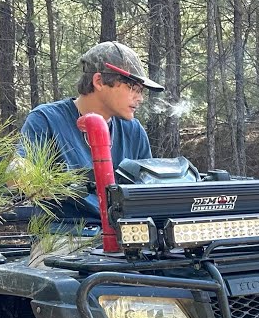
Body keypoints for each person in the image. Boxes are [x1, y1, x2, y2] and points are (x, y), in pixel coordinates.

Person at [17, 41, 164, 220]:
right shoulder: (46, 119)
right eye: (132, 88)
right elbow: (17, 168)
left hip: (125, 234)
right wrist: (52, 185)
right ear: (99, 81)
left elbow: (147, 189)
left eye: (141, 91)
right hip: (66, 236)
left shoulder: (134, 131)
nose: (140, 98)